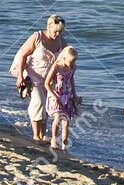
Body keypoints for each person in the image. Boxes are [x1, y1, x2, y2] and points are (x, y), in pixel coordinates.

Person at [10, 14, 67, 143]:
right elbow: (22, 56)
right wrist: (20, 77)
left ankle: (42, 135)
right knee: (39, 102)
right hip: (32, 75)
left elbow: (67, 55)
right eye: (55, 31)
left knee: (47, 106)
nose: (57, 34)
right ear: (49, 27)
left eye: (60, 32)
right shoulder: (37, 37)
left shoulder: (60, 41)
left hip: (48, 79)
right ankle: (36, 135)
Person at [44, 46, 81, 151]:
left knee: (66, 121)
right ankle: (54, 140)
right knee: (57, 117)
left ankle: (64, 144)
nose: (73, 64)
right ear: (64, 58)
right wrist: (54, 96)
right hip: (56, 95)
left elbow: (72, 81)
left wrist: (75, 95)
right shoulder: (56, 67)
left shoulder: (72, 68)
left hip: (67, 95)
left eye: (74, 61)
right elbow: (46, 84)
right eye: (71, 61)